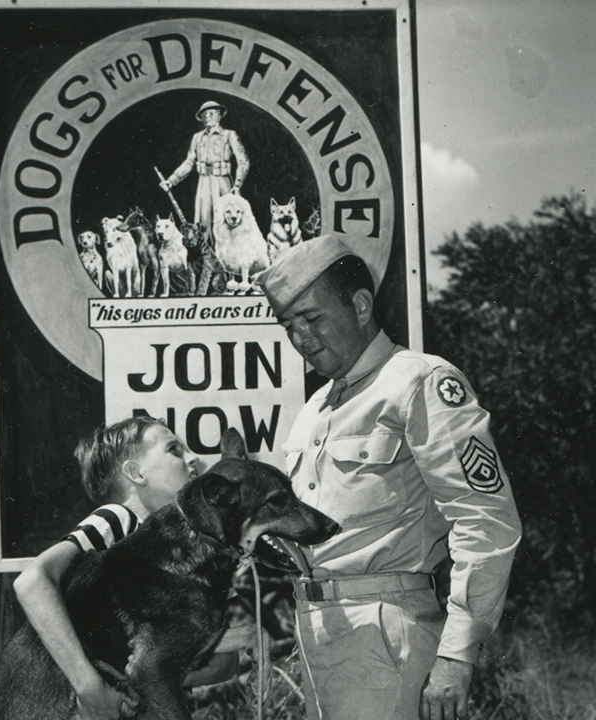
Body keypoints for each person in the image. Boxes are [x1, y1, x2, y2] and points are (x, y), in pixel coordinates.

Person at [256, 235, 522, 720]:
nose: (300, 339)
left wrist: (456, 654)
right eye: (288, 325)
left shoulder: (419, 382)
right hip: (318, 636)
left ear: (360, 305)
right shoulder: (315, 409)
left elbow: (487, 522)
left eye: (312, 319)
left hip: (388, 634)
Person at [14, 417, 263, 720]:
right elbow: (31, 581)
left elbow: (225, 664)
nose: (193, 458)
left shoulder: (193, 549)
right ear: (135, 473)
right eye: (174, 450)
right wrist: (89, 686)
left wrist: (149, 673)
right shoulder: (118, 519)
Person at [159, 100, 249, 243]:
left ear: (219, 116)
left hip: (223, 183)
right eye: (204, 115)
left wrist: (237, 186)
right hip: (204, 183)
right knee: (203, 221)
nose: (207, 117)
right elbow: (189, 162)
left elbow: (243, 162)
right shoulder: (197, 137)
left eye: (211, 114)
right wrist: (171, 180)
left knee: (226, 221)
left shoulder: (229, 135)